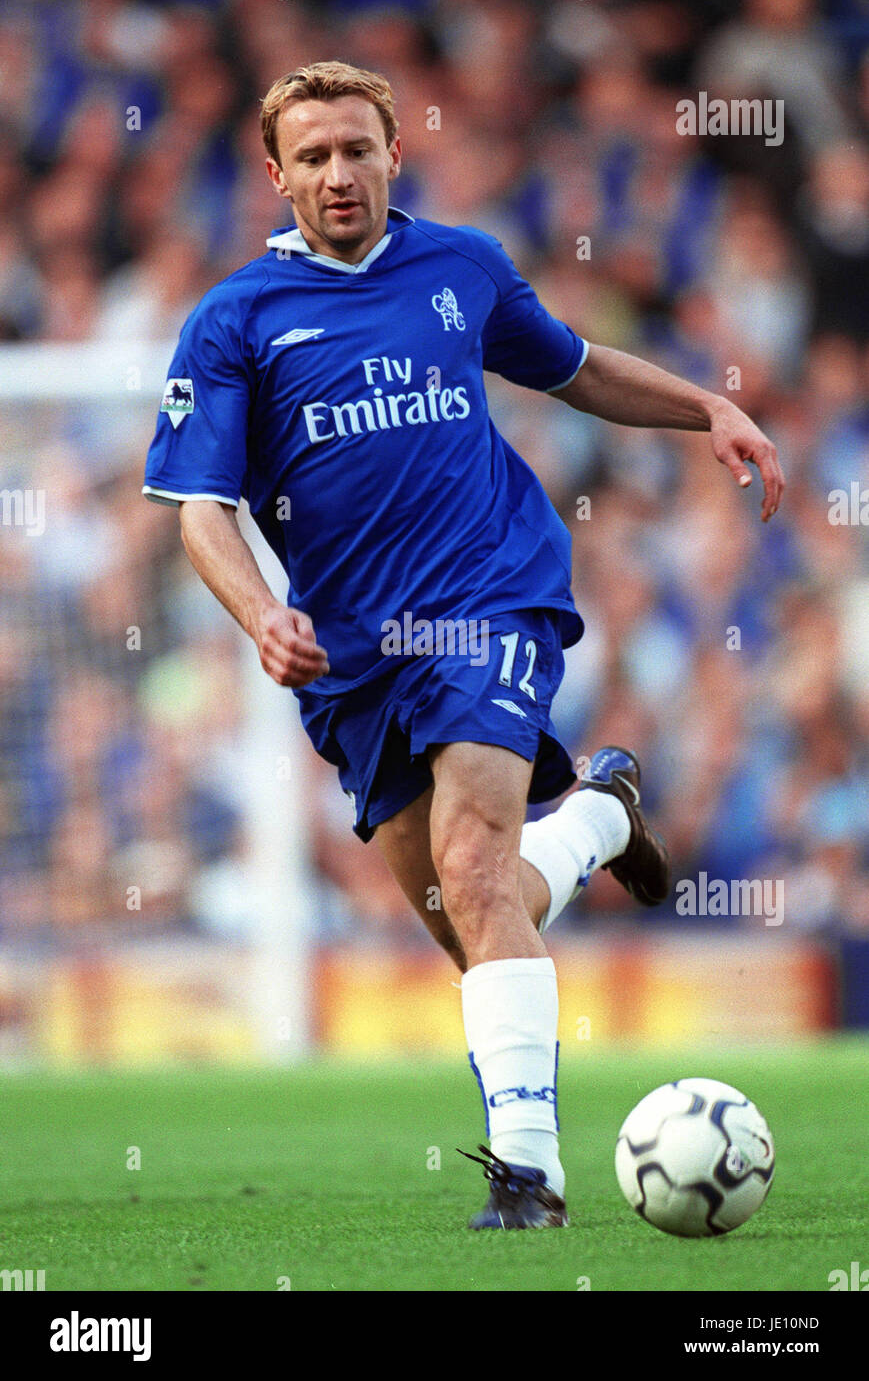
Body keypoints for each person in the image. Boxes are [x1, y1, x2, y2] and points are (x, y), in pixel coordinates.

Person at [143, 61, 784, 1230]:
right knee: (468, 908)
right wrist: (260, 613)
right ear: (274, 172)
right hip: (352, 657)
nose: (340, 173)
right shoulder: (234, 320)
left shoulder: (462, 269)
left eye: (358, 149)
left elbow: (577, 368)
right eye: (315, 156)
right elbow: (201, 507)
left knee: (479, 870)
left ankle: (528, 1180)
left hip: (489, 597)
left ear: (395, 154)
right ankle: (597, 814)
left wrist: (710, 406)